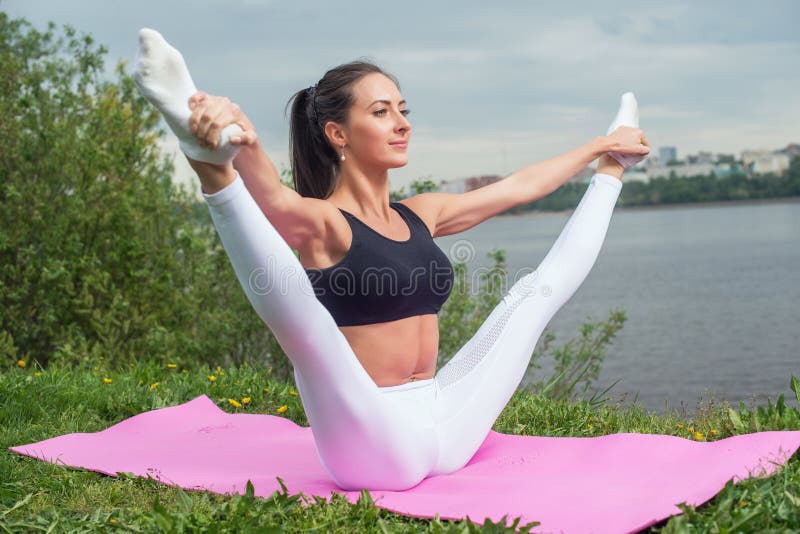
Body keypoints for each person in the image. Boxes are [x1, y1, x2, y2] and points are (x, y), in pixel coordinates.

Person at [133, 28, 650, 491]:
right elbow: (274, 200)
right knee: (303, 325)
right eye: (381, 111)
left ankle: (615, 168)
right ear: (338, 133)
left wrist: (601, 147)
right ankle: (208, 161)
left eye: (403, 109)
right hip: (367, 444)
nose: (401, 123)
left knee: (534, 297)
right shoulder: (325, 222)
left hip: (443, 425)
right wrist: (242, 137)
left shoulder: (421, 215)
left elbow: (519, 187)